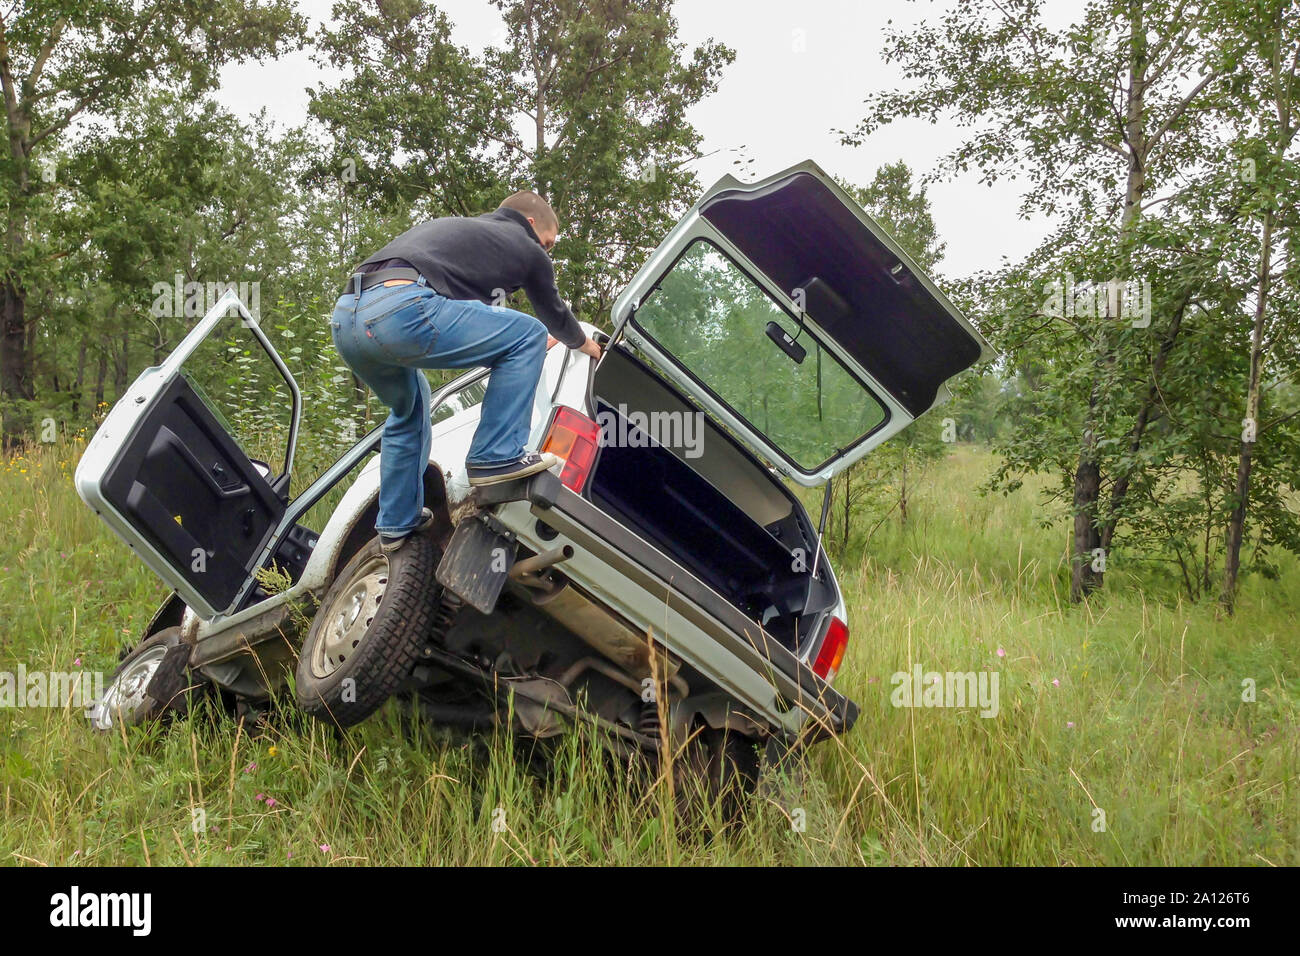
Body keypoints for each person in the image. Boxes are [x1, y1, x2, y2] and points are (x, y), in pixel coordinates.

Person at [331, 191, 602, 552]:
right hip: (401, 310)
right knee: (531, 332)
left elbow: (467, 328)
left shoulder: (462, 232)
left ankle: (396, 524)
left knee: (411, 405)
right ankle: (495, 456)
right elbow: (553, 315)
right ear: (532, 224)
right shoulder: (524, 244)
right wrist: (585, 344)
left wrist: (525, 349)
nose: (546, 251)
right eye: (549, 243)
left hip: (348, 319)